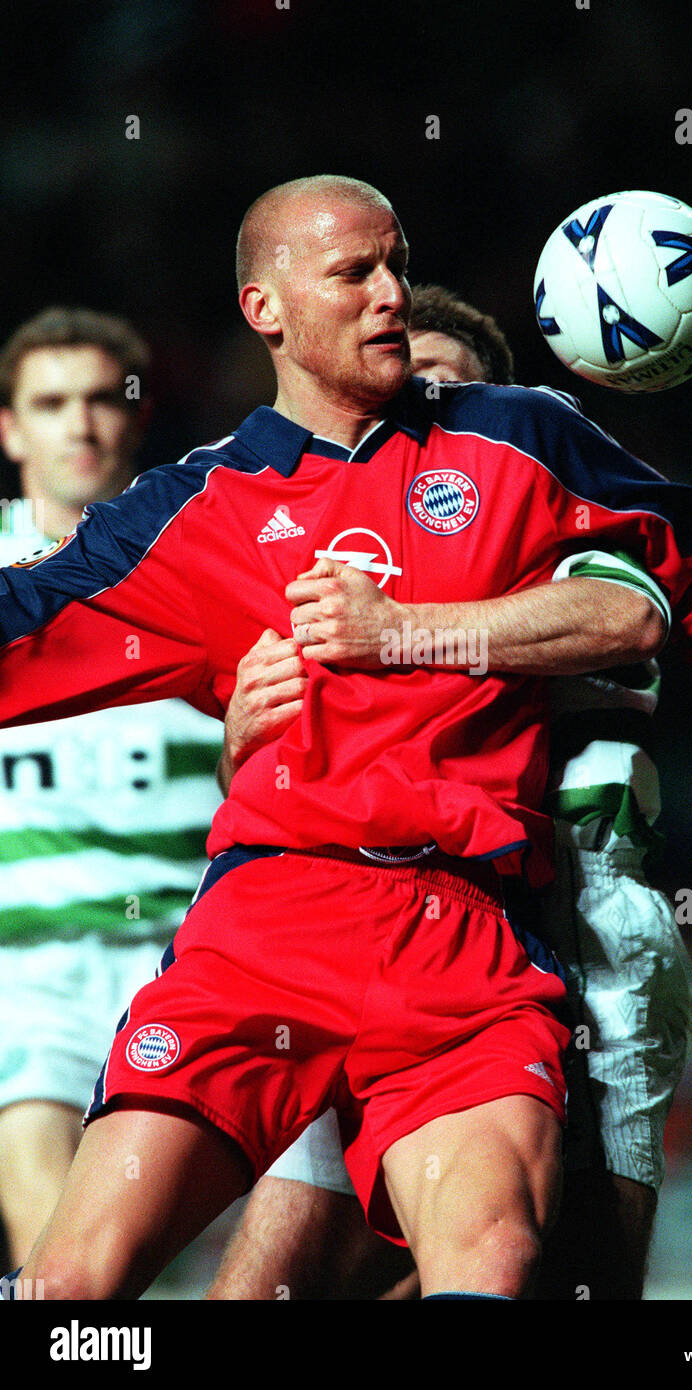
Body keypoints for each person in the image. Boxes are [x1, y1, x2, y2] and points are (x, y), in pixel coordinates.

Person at [0, 177, 692, 1301]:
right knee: (72, 1291)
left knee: (494, 1259)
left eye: (396, 263)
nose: (392, 294)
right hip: (264, 930)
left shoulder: (522, 437)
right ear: (266, 307)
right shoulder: (192, 505)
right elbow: (25, 626)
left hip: (466, 941)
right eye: (355, 274)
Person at [208, 287, 692, 1301]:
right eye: (396, 391)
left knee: (565, 1280)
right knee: (276, 1270)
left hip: (576, 905)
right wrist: (242, 738)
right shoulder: (323, 565)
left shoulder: (561, 518)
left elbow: (625, 618)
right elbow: (263, 779)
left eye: (447, 391)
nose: (420, 414)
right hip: (369, 920)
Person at [0, 308, 223, 1269]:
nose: (80, 425)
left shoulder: (202, 563)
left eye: (101, 400)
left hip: (191, 966)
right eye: (50, 404)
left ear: (136, 417)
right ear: (10, 428)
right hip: (26, 967)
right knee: (64, 1251)